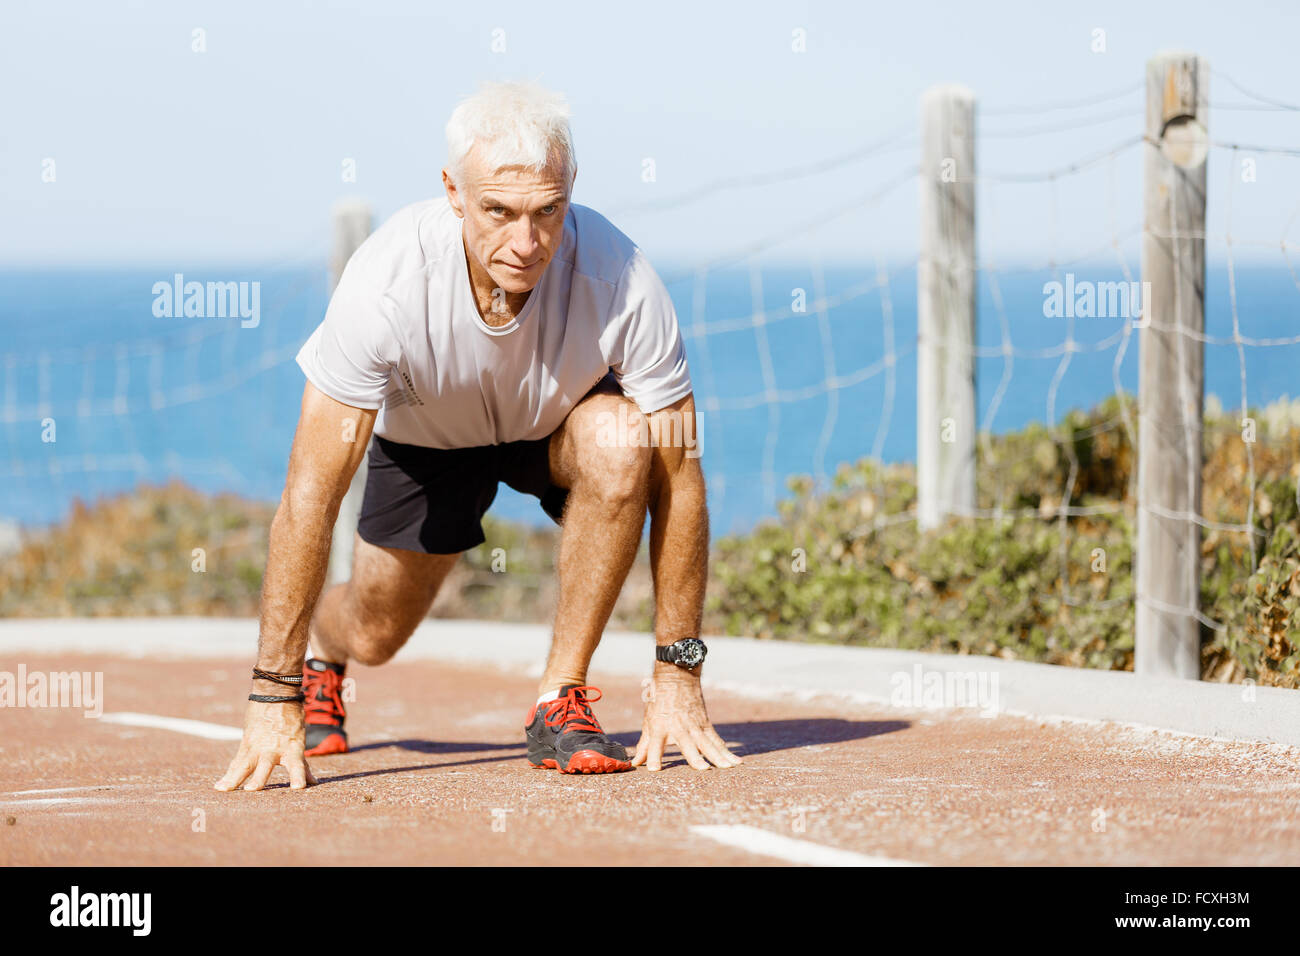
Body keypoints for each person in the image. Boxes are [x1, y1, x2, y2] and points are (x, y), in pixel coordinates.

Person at [215, 80, 741, 789]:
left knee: (625, 442)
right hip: (429, 439)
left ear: (571, 189)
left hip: (553, 426)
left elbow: (682, 474)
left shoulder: (624, 278)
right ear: (453, 191)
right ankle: (321, 660)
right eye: (498, 210)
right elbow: (311, 492)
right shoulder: (386, 284)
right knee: (374, 632)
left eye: (547, 212)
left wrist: (678, 671)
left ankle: (561, 700)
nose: (525, 243)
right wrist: (271, 692)